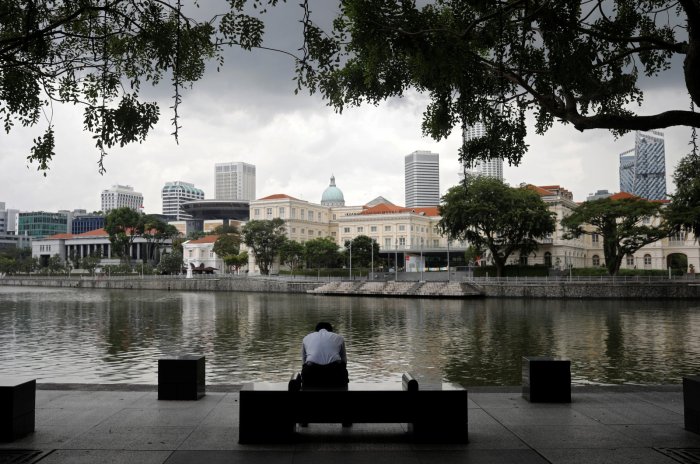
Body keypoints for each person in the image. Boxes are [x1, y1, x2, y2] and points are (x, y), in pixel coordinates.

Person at [301, 322, 349, 388]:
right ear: (331, 331)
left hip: (311, 373)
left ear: (316, 331)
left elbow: (304, 362)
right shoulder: (339, 337)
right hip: (335, 374)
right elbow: (344, 360)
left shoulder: (306, 338)